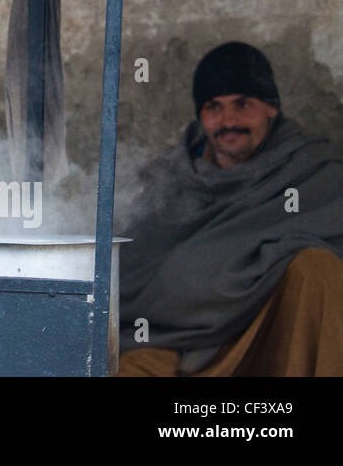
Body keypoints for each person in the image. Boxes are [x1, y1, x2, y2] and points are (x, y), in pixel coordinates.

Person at [117, 42, 343, 376]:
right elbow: (137, 277)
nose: (229, 120)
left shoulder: (314, 173)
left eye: (243, 104)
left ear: (271, 108)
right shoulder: (171, 180)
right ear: (200, 115)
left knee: (316, 265)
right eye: (214, 107)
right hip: (181, 341)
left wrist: (234, 271)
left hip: (269, 334)